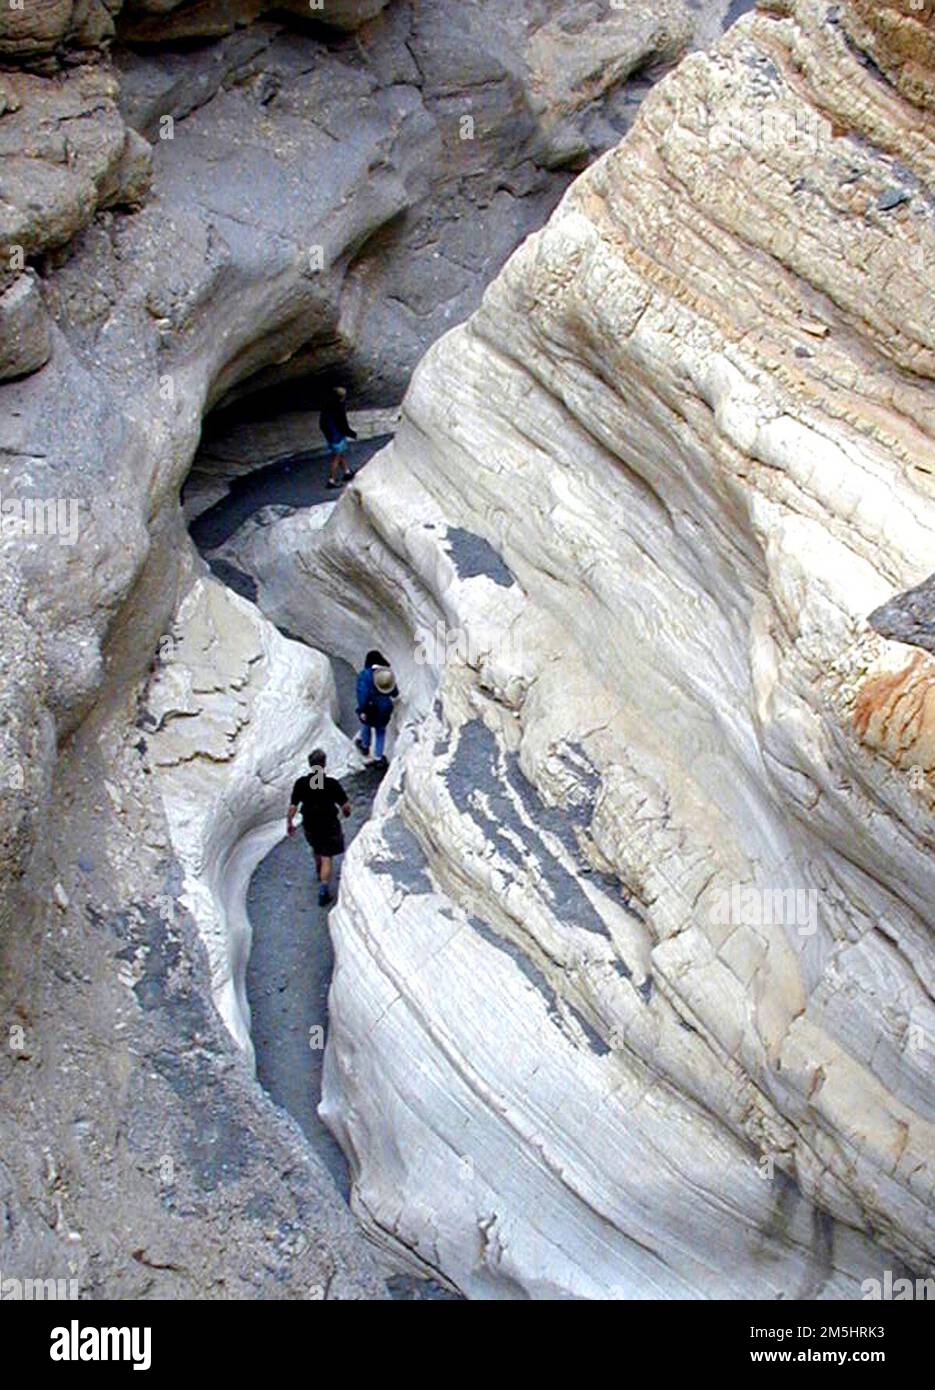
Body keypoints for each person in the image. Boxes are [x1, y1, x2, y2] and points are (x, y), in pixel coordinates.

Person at [286, 749, 351, 906]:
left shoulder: (301, 783)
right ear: (324, 764)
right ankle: (323, 889)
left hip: (309, 822)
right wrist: (346, 813)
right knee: (326, 855)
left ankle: (318, 869)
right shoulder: (331, 784)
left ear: (310, 765)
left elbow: (293, 806)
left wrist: (289, 823)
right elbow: (346, 806)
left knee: (317, 847)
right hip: (328, 822)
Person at [355, 649, 398, 767]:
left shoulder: (365, 675)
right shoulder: (386, 673)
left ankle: (365, 746)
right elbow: (394, 692)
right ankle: (378, 758)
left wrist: (362, 709)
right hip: (385, 708)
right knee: (380, 731)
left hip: (370, 708)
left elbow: (362, 693)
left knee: (366, 725)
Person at [319, 386, 357, 489]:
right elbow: (343, 423)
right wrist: (351, 433)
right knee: (337, 456)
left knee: (340, 454)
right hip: (337, 435)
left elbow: (322, 423)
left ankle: (347, 472)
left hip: (330, 434)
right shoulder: (338, 407)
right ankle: (331, 480)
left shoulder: (327, 406)